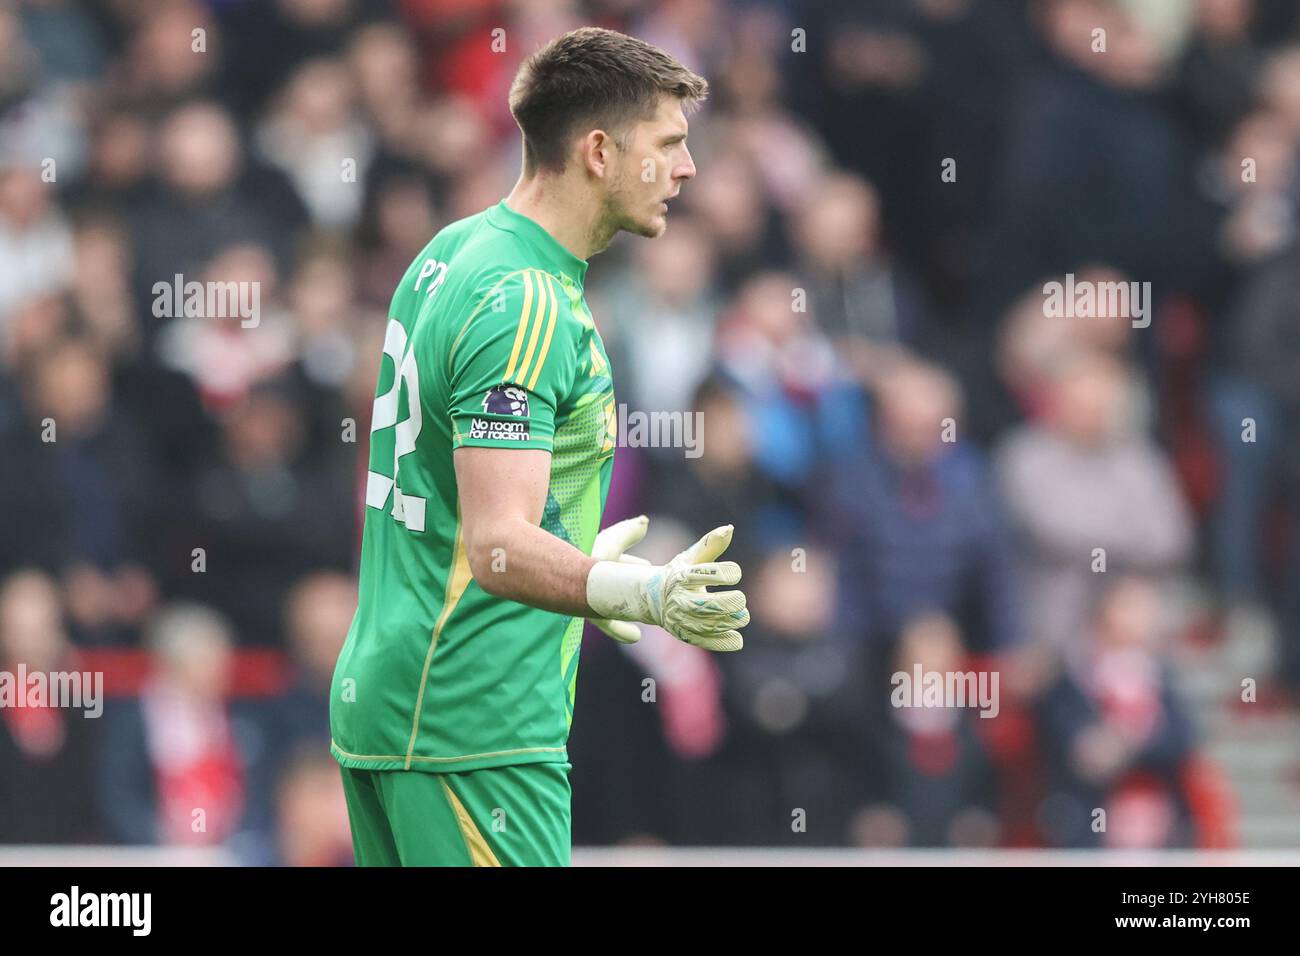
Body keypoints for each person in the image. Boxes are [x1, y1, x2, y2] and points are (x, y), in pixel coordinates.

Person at [329, 27, 750, 867]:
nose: (688, 168)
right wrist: (634, 590)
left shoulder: (453, 253)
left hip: (397, 698)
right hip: (473, 722)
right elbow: (494, 546)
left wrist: (564, 544)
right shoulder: (528, 301)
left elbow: (460, 495)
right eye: (668, 144)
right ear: (599, 150)